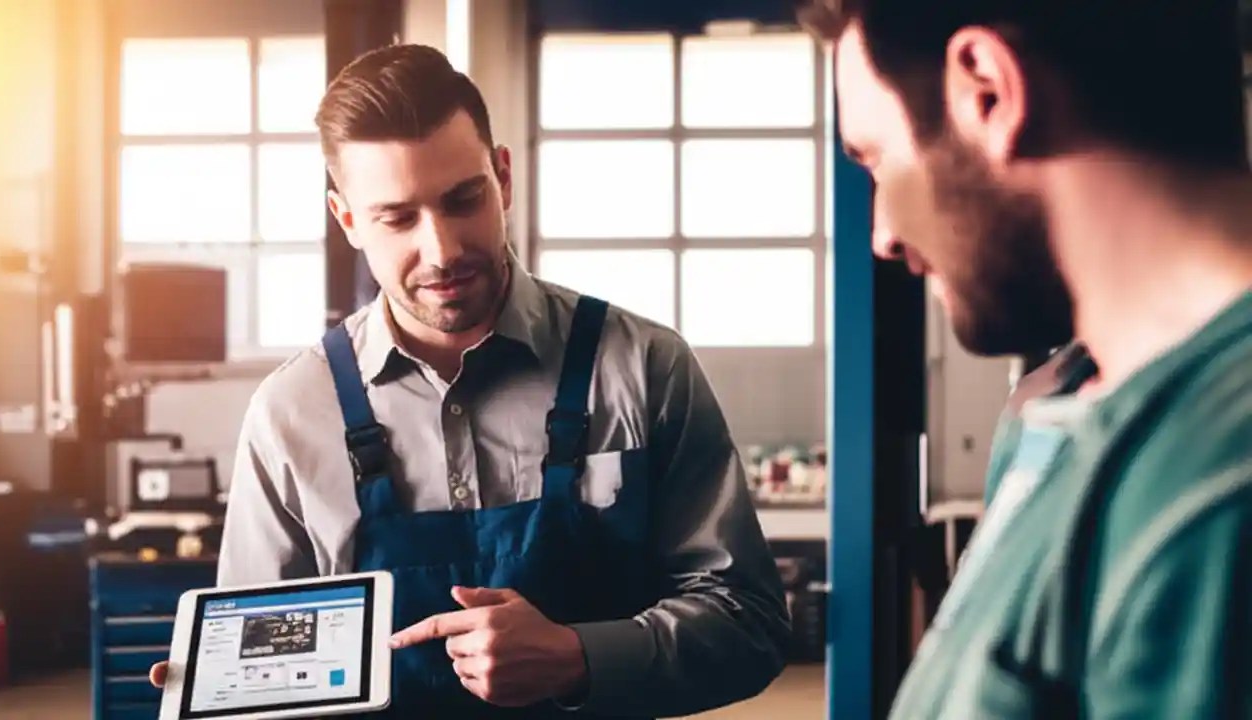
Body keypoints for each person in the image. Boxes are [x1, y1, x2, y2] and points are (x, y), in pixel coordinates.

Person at [148, 43, 789, 717]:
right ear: (347, 220)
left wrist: (578, 658)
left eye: (464, 199)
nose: (444, 249)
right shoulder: (291, 413)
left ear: (503, 178)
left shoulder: (644, 368)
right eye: (397, 218)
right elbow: (267, 670)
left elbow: (747, 622)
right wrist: (229, 694)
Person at [798, 0, 1252, 717]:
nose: (881, 233)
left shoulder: (1215, 485)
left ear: (988, 91)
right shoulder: (1066, 411)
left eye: (877, 157)